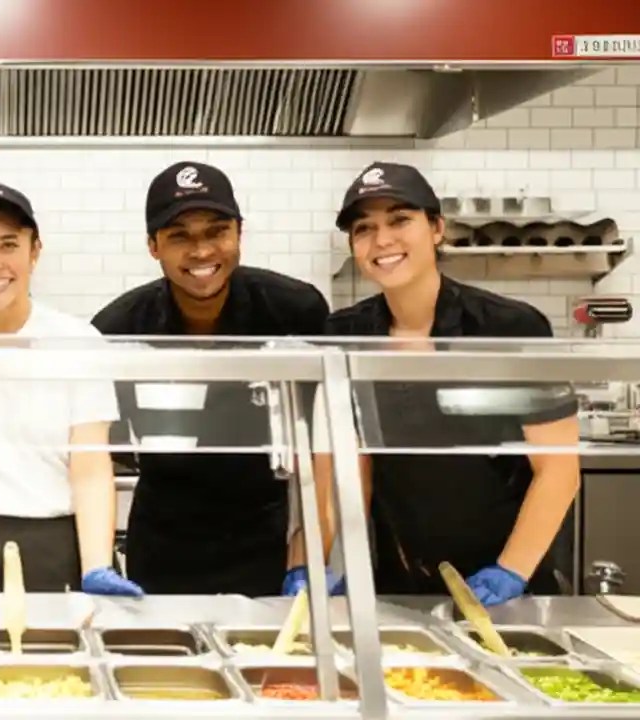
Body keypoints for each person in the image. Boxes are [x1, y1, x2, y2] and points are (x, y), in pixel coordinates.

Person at [311, 161, 580, 606]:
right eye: (364, 228)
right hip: (399, 584)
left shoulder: (508, 327)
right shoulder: (345, 333)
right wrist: (320, 564)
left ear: (436, 228)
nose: (383, 240)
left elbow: (558, 469)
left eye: (400, 220)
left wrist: (510, 571)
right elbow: (351, 469)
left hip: (509, 581)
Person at [91, 161, 330, 596]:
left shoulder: (295, 312)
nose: (201, 252)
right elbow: (95, 451)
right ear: (153, 246)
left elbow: (324, 447)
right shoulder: (117, 328)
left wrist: (309, 553)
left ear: (239, 232)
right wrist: (97, 556)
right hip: (162, 544)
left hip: (268, 541)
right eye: (179, 236)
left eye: (216, 231)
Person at [0, 180, 141, 596]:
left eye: (8, 245)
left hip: (61, 542)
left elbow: (91, 469)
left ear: (34, 250)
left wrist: (96, 565)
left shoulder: (78, 341)